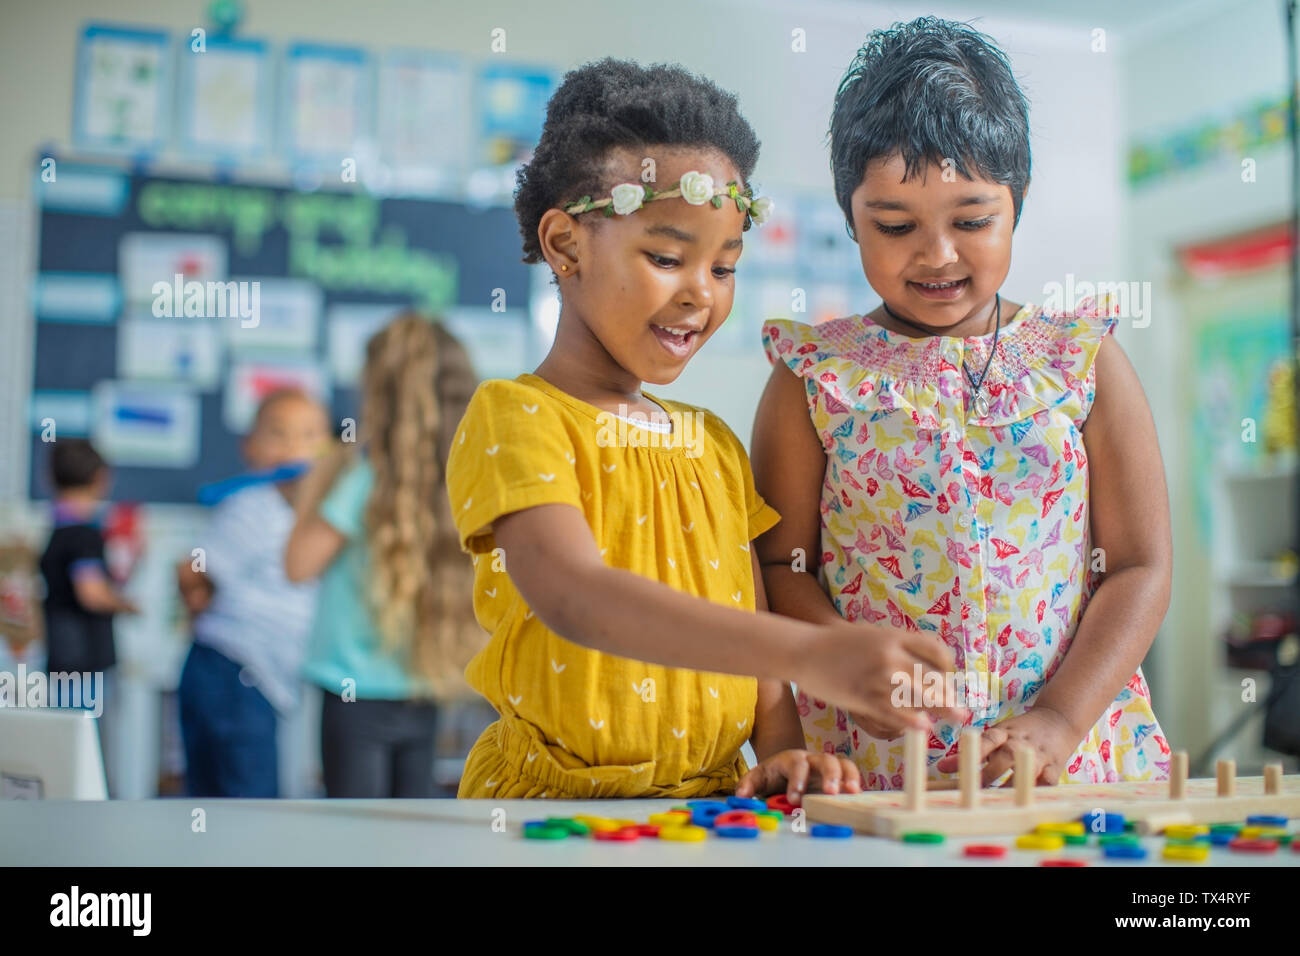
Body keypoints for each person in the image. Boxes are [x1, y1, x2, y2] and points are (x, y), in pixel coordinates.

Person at [444, 58, 965, 803]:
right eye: (665, 258)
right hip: (552, 812)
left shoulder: (713, 443)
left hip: (708, 810)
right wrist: (817, 653)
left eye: (724, 268)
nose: (700, 294)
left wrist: (784, 752)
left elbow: (750, 632)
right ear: (564, 245)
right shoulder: (517, 416)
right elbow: (578, 597)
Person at [753, 17, 1172, 789]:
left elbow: (1139, 565)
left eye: (973, 220)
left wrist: (1060, 717)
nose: (937, 253)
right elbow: (781, 562)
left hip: (1068, 757)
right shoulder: (813, 377)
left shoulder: (1082, 362)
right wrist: (840, 663)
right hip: (874, 764)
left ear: (1019, 205)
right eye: (894, 224)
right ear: (850, 217)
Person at [285, 313, 487, 798]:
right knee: (408, 832)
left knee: (356, 839)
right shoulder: (460, 483)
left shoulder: (360, 476)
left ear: (381, 392)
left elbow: (298, 565)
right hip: (423, 686)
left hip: (353, 695)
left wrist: (323, 476)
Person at [176, 388, 331, 797]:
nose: (294, 447)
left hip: (252, 677)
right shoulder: (252, 506)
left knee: (228, 799)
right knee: (250, 803)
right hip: (234, 670)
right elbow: (194, 566)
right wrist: (195, 594)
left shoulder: (314, 515)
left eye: (310, 435)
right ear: (250, 448)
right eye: (278, 434)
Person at [38, 439, 137, 786]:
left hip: (62, 658)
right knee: (90, 758)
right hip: (87, 664)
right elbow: (92, 593)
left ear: (50, 478)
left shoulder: (57, 531)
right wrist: (128, 604)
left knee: (66, 753)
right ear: (101, 479)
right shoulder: (84, 535)